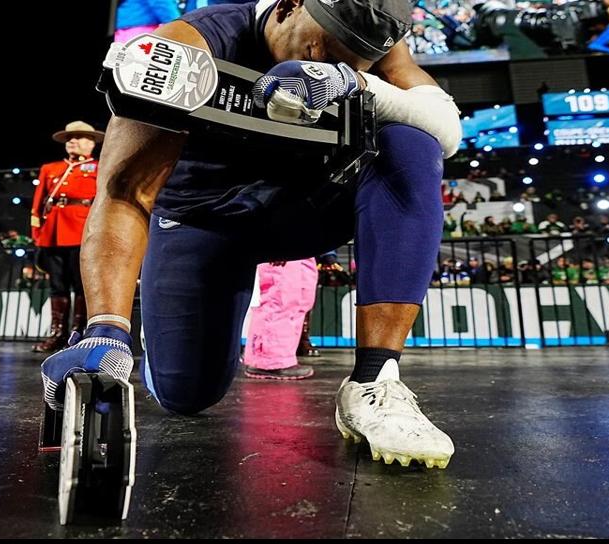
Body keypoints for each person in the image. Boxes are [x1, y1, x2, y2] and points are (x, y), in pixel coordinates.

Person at [41, 0, 463, 468]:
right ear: (287, 4)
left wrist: (361, 85)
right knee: (186, 394)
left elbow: (447, 126)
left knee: (412, 138)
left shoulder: (378, 43)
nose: (323, 65)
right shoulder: (190, 44)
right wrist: (106, 326)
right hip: (201, 222)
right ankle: (143, 348)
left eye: (348, 62)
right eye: (317, 47)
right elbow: (125, 194)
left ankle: (374, 379)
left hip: (300, 209)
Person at [30, 122, 103, 353]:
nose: (72, 141)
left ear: (91, 143)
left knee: (81, 286)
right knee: (57, 285)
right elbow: (37, 206)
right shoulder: (49, 169)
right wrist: (38, 235)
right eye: (69, 138)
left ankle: (78, 333)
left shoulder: (99, 168)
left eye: (79, 137)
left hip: (82, 232)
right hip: (52, 233)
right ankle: (57, 334)